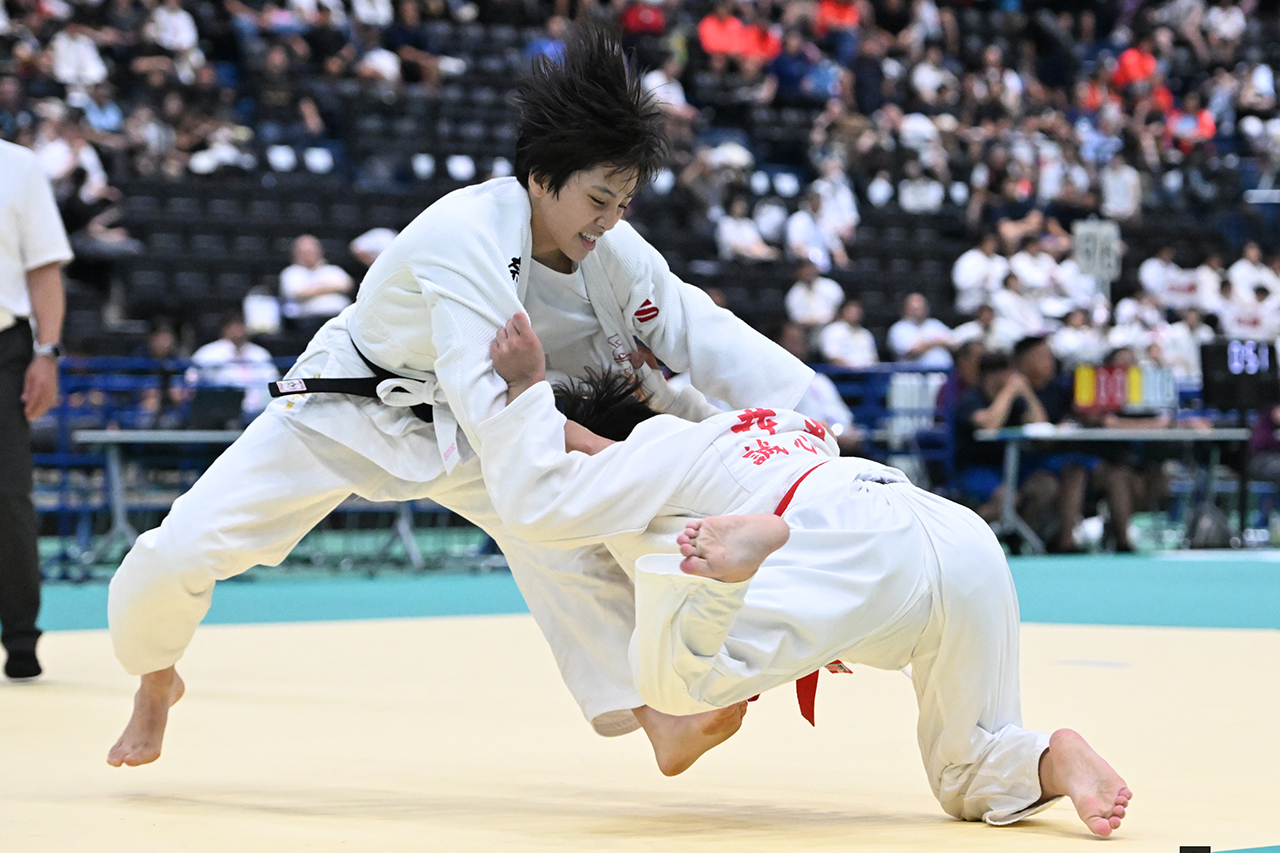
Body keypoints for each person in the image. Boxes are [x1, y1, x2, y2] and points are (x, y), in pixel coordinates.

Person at [105, 26, 813, 773]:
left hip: (463, 429)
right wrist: (642, 461)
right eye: (598, 199)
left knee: (559, 536)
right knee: (179, 550)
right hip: (354, 405)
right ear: (541, 176)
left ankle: (660, 712)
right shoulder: (467, 234)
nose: (609, 220)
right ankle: (155, 677)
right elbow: (496, 404)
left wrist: (800, 431)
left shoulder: (612, 252)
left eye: (624, 202)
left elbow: (698, 329)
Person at [478, 318, 1132, 838]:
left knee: (672, 685)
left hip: (845, 549)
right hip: (953, 537)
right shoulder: (767, 427)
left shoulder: (654, 452)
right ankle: (1054, 758)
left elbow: (584, 456)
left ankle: (732, 580)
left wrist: (526, 387)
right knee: (964, 774)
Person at [0, 139, 72, 680]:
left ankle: (21, 637)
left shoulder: (17, 165)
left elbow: (45, 267)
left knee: (9, 495)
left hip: (5, 346)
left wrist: (47, 351)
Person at [186, 312, 281, 419]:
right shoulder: (208, 352)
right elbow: (191, 379)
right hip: (221, 411)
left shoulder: (259, 353)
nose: (238, 331)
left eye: (241, 326)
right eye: (234, 326)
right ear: (224, 329)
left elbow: (273, 379)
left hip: (259, 410)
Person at [279, 234, 355, 320]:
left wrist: (315, 289)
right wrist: (329, 287)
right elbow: (297, 293)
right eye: (305, 252)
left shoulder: (333, 269)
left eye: (311, 251)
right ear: (296, 253)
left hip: (340, 316)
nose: (309, 255)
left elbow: (347, 286)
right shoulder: (291, 272)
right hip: (309, 319)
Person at [888, 292, 952, 368]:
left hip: (942, 372)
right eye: (915, 308)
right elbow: (911, 352)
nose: (918, 311)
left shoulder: (934, 324)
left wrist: (928, 343)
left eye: (921, 307)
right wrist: (936, 342)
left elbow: (953, 343)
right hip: (912, 373)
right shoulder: (899, 328)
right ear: (905, 309)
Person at [819, 298, 879, 368]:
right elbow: (832, 356)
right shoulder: (833, 330)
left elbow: (873, 358)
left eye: (857, 312)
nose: (855, 314)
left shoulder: (865, 333)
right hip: (842, 371)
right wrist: (852, 368)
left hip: (867, 371)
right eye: (851, 311)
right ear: (843, 311)